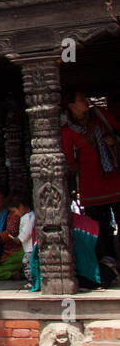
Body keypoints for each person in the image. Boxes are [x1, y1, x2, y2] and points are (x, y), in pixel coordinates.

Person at [61, 90, 120, 263]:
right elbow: (69, 159)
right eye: (81, 99)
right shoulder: (67, 131)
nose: (86, 101)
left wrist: (113, 140)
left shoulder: (100, 116)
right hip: (91, 185)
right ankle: (108, 265)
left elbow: (118, 129)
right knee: (100, 228)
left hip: (114, 179)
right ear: (72, 106)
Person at [7, 194, 36, 288]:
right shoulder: (31, 215)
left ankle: (31, 281)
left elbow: (27, 232)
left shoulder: (27, 217)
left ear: (21, 207)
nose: (15, 214)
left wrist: (19, 239)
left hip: (30, 248)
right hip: (30, 246)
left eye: (14, 211)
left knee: (26, 263)